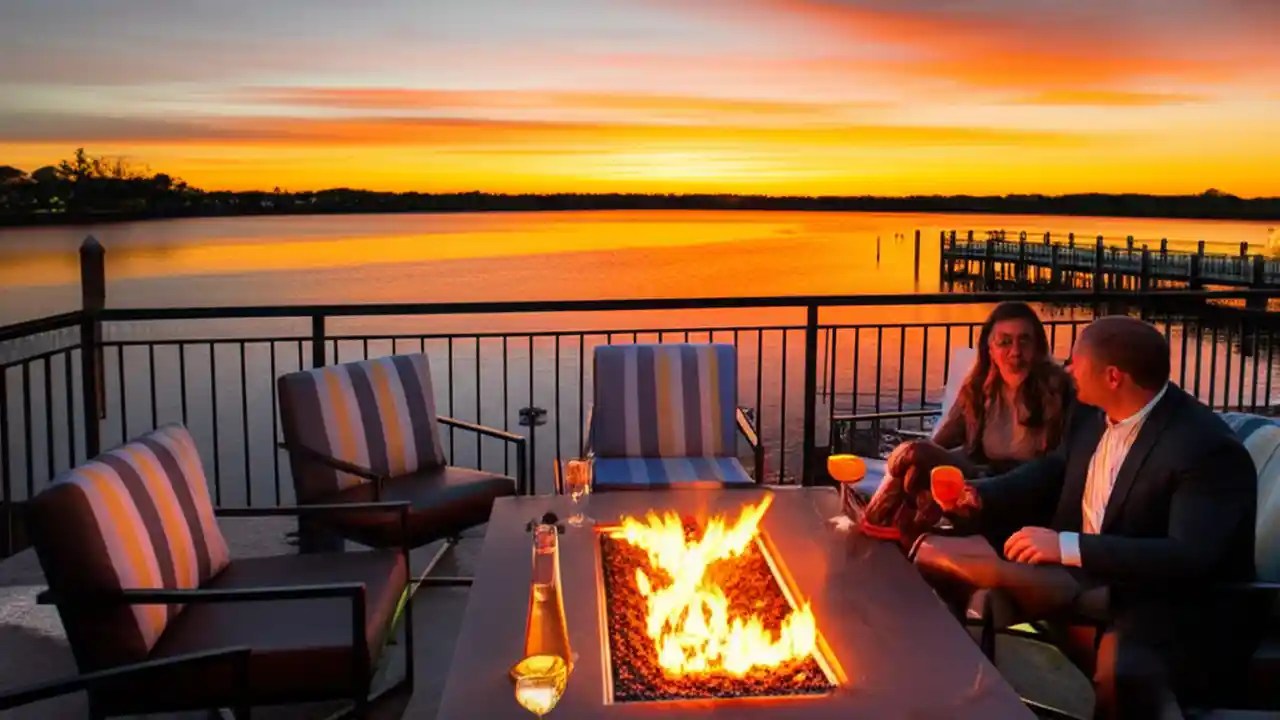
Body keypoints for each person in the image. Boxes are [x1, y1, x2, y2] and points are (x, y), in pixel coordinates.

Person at [918, 316, 1258, 718]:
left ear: (1113, 377)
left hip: (1162, 599)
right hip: (1084, 577)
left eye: (1077, 362)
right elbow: (1053, 470)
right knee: (957, 572)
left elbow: (1189, 556)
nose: (1068, 369)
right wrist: (980, 497)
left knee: (1123, 669)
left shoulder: (1202, 447)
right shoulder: (1091, 414)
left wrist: (1067, 546)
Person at [862, 301, 1073, 543]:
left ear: (1037, 347)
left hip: (1017, 490)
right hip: (978, 473)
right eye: (1005, 342)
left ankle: (876, 521)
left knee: (913, 452)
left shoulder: (1057, 392)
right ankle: (895, 528)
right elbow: (940, 443)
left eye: (1024, 341)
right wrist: (921, 473)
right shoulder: (978, 389)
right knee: (915, 467)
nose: (1016, 351)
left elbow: (1056, 468)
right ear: (989, 349)